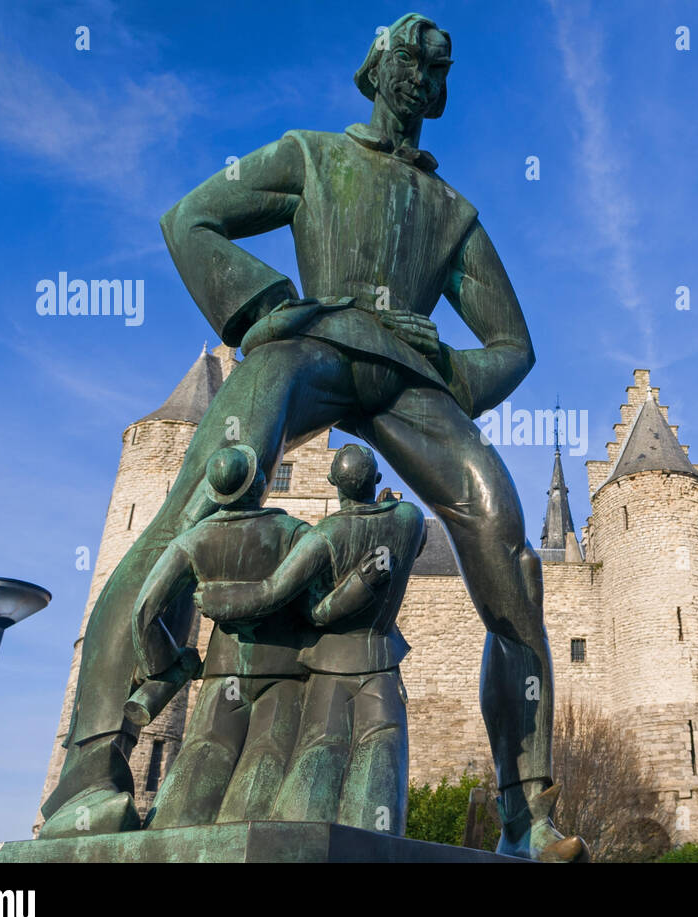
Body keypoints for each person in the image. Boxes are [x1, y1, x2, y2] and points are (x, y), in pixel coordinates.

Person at [40, 13, 585, 862]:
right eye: (405, 61)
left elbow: (515, 345)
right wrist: (270, 310)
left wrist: (445, 359)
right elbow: (190, 220)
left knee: (506, 542)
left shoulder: (451, 211)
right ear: (375, 73)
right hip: (310, 350)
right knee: (204, 492)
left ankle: (528, 807)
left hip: (408, 379)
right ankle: (88, 776)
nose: (419, 79)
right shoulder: (310, 156)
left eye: (433, 70)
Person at [192, 445, 424, 833]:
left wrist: (219, 599)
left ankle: (289, 845)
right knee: (382, 762)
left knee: (318, 761)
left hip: (329, 672)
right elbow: (415, 543)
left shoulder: (325, 535)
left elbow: (270, 593)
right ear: (377, 481)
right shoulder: (410, 519)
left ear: (333, 484)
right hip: (382, 666)